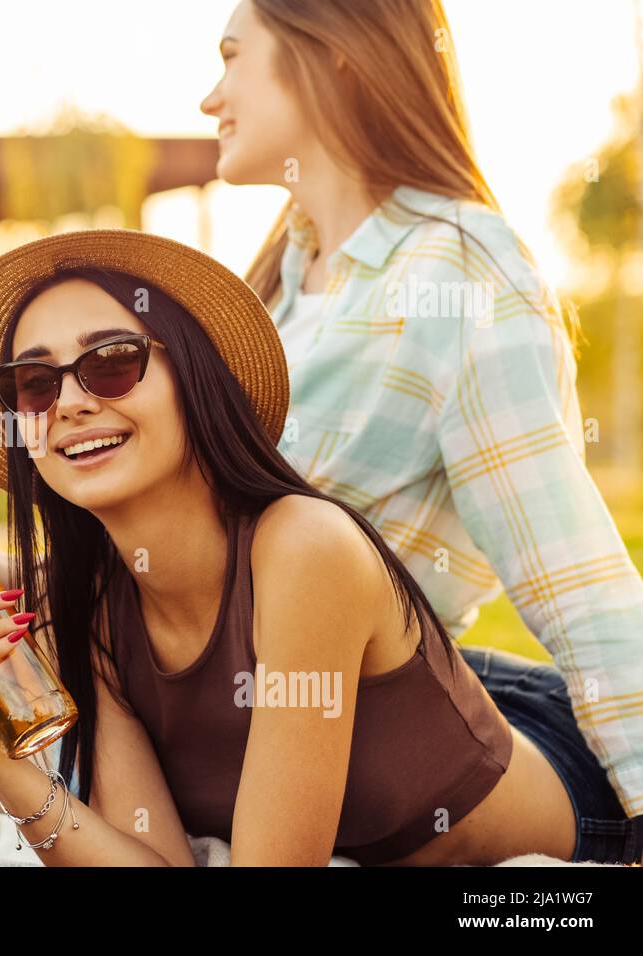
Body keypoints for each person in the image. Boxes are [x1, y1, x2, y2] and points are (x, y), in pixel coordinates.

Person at [0, 228, 634, 865]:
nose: (74, 401)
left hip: (579, 796)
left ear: (194, 377)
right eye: (35, 383)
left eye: (113, 362)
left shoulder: (303, 548)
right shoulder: (94, 606)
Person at [198, 0, 643, 854]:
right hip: (250, 714)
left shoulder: (458, 267)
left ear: (331, 55)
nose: (209, 98)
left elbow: (572, 575)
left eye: (229, 57)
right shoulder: (277, 287)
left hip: (415, 733)